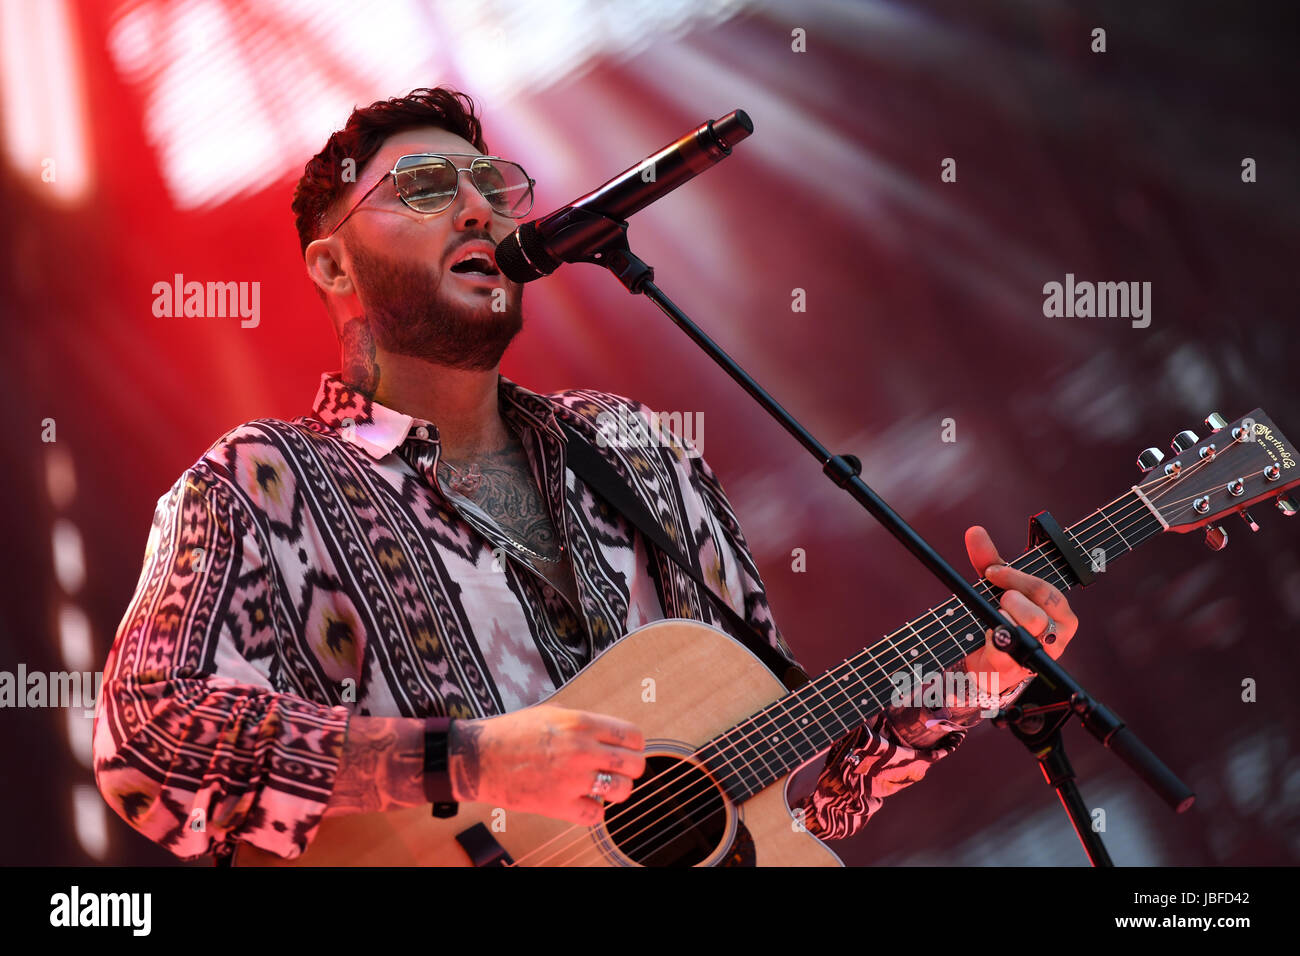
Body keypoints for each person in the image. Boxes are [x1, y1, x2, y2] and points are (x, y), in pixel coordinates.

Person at [92, 87, 1078, 864]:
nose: (478, 206)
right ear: (334, 270)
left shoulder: (640, 452)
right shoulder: (257, 484)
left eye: (492, 185)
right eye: (426, 188)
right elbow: (148, 737)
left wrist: (962, 687)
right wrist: (470, 758)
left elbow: (801, 803)